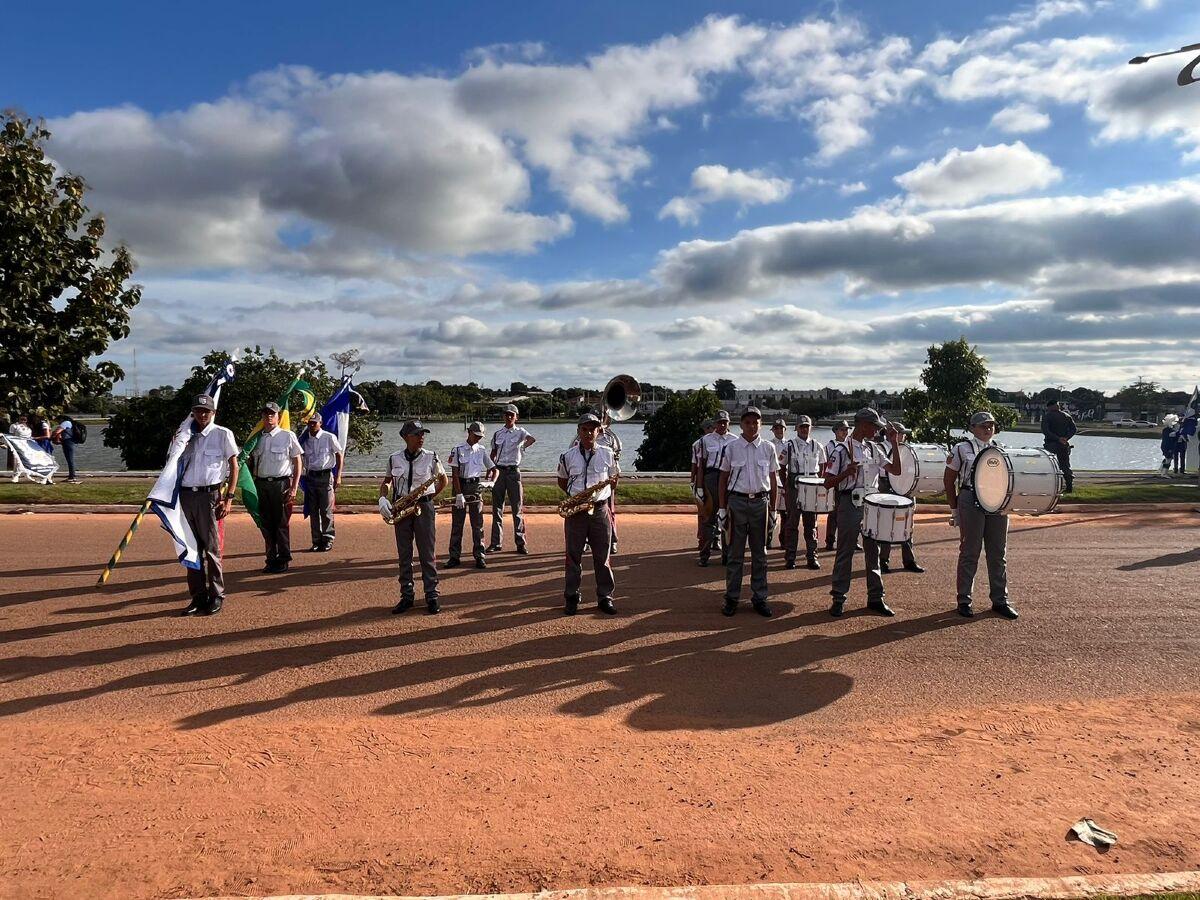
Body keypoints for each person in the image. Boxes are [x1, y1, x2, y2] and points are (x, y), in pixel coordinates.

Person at [823, 408, 905, 618]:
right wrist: (845, 473)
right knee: (845, 552)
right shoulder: (841, 450)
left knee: (873, 552)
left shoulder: (874, 449)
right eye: (873, 426)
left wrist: (894, 443)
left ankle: (876, 598)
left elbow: (896, 470)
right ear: (863, 425)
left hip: (872, 505)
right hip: (850, 503)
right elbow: (827, 482)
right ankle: (838, 598)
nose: (876, 430)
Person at [945, 411, 1019, 620]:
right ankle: (964, 599)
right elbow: (949, 479)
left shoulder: (1001, 449)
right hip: (970, 498)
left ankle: (1000, 600)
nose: (987, 429)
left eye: (991, 425)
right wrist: (954, 509)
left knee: (998, 552)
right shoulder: (961, 449)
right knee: (970, 551)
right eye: (982, 425)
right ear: (972, 428)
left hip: (997, 500)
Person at [178, 395, 239, 617]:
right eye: (198, 411)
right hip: (186, 496)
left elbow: (234, 466)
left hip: (209, 496)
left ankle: (216, 595)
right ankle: (197, 597)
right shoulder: (185, 436)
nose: (202, 415)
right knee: (191, 551)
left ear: (213, 413)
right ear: (193, 412)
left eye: (206, 411)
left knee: (212, 550)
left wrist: (229, 497)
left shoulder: (222, 434)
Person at [380, 420, 448, 614]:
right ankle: (407, 595)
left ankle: (432, 595)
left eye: (422, 434)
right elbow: (387, 482)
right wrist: (383, 498)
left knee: (427, 553)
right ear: (406, 437)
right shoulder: (394, 458)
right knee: (404, 554)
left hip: (423, 506)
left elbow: (443, 480)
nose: (421, 438)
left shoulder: (431, 457)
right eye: (417, 434)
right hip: (401, 507)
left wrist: (428, 498)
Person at [718, 407, 779, 617]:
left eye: (756, 422)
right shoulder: (732, 447)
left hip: (760, 503)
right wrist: (721, 508)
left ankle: (759, 598)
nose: (752, 426)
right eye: (748, 422)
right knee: (735, 554)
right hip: (737, 502)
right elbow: (723, 478)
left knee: (760, 554)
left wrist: (774, 509)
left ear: (761, 424)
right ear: (741, 424)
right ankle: (732, 598)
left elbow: (773, 480)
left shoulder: (768, 448)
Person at [557, 412, 619, 615]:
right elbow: (562, 481)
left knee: (603, 556)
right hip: (577, 511)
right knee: (573, 557)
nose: (588, 433)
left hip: (600, 509)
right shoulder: (568, 456)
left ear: (599, 431)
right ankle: (572, 597)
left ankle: (605, 597)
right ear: (578, 431)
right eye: (584, 429)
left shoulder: (608, 453)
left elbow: (613, 479)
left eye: (592, 429)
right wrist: (578, 499)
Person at [249, 402, 303, 573]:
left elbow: (297, 461)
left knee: (281, 523)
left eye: (272, 414)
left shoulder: (288, 436)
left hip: (281, 484)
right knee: (266, 524)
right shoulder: (256, 439)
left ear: (279, 416)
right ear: (262, 417)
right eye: (266, 414)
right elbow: (250, 462)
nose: (269, 417)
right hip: (262, 484)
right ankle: (271, 558)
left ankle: (283, 559)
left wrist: (294, 487)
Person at [447, 421, 496, 569]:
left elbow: (494, 469)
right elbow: (454, 474)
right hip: (460, 485)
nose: (478, 439)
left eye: (480, 436)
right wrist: (459, 494)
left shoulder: (481, 450)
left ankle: (480, 556)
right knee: (457, 524)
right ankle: (454, 556)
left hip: (475, 487)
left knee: (478, 524)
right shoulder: (457, 449)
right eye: (476, 436)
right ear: (469, 432)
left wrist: (492, 482)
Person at [488, 404, 536, 554]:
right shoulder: (498, 434)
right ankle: (496, 543)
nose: (509, 417)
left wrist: (522, 447)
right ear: (503, 416)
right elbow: (493, 453)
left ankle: (520, 543)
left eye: (512, 415)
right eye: (507, 414)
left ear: (516, 417)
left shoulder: (520, 432)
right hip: (499, 472)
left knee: (517, 509)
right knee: (497, 509)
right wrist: (491, 470)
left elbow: (531, 439)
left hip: (514, 473)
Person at [878, 422, 924, 575]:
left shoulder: (907, 449)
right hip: (887, 485)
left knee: (907, 524)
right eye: (902, 433)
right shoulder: (880, 448)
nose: (904, 436)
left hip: (905, 485)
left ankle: (909, 560)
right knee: (886, 525)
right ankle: (882, 560)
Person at [781, 415, 826, 570]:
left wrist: (819, 485)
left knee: (811, 524)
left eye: (807, 426)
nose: (804, 429)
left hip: (812, 484)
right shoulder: (789, 445)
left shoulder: (817, 445)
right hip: (795, 484)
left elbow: (823, 466)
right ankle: (790, 557)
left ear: (810, 427)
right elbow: (781, 466)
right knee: (792, 523)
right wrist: (786, 485)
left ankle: (812, 557)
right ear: (796, 428)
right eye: (801, 426)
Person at [697, 410, 737, 566]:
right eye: (719, 422)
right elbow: (701, 465)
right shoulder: (705, 441)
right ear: (714, 424)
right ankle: (704, 555)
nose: (722, 425)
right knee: (709, 518)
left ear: (729, 423)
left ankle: (726, 556)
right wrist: (700, 487)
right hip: (711, 478)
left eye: (725, 422)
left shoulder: (735, 441)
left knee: (728, 517)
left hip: (729, 478)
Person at [299, 412, 344, 552]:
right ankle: (316, 541)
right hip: (310, 476)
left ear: (320, 423)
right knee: (313, 511)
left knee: (326, 510)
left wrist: (339, 475)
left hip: (325, 476)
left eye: (314, 423)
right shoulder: (304, 439)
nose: (312, 425)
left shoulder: (329, 437)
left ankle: (328, 538)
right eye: (310, 423)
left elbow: (339, 455)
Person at [596, 411, 624, 555]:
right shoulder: (581, 436)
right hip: (589, 482)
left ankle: (612, 540)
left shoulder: (611, 437)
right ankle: (587, 541)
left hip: (606, 480)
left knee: (609, 511)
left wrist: (613, 480)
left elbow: (617, 455)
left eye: (603, 418)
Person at [823, 420, 849, 552]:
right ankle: (830, 540)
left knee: (847, 514)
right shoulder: (829, 446)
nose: (845, 432)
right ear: (835, 431)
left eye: (846, 430)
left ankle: (850, 540)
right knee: (833, 514)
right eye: (842, 430)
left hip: (846, 483)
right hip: (834, 482)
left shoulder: (849, 445)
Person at [690, 419, 715, 550]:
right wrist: (693, 481)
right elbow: (695, 464)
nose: (711, 430)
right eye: (709, 428)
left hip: (712, 478)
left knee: (716, 510)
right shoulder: (698, 444)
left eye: (712, 427)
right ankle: (702, 539)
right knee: (703, 512)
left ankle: (715, 538)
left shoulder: (719, 442)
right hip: (702, 479)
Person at [1041, 400, 1076, 493]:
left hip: (1051, 444)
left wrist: (1057, 439)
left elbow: (1046, 431)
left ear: (1050, 407)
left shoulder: (1047, 416)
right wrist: (1066, 438)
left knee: (1048, 465)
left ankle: (1048, 486)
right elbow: (1074, 429)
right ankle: (1069, 486)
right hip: (1063, 444)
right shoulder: (1067, 416)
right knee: (1065, 465)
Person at [766, 417, 788, 548]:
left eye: (781, 428)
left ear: (785, 429)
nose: (779, 430)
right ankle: (767, 539)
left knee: (785, 514)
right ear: (773, 430)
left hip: (784, 481)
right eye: (776, 428)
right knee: (769, 512)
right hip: (772, 481)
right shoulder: (768, 444)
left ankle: (784, 540)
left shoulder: (790, 445)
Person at [50, 414, 81, 483]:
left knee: (70, 459)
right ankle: (72, 476)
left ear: (61, 419)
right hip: (69, 441)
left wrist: (51, 437)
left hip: (68, 442)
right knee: (70, 459)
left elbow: (57, 431)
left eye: (58, 420)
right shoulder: (69, 423)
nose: (58, 422)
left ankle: (72, 477)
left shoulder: (65, 423)